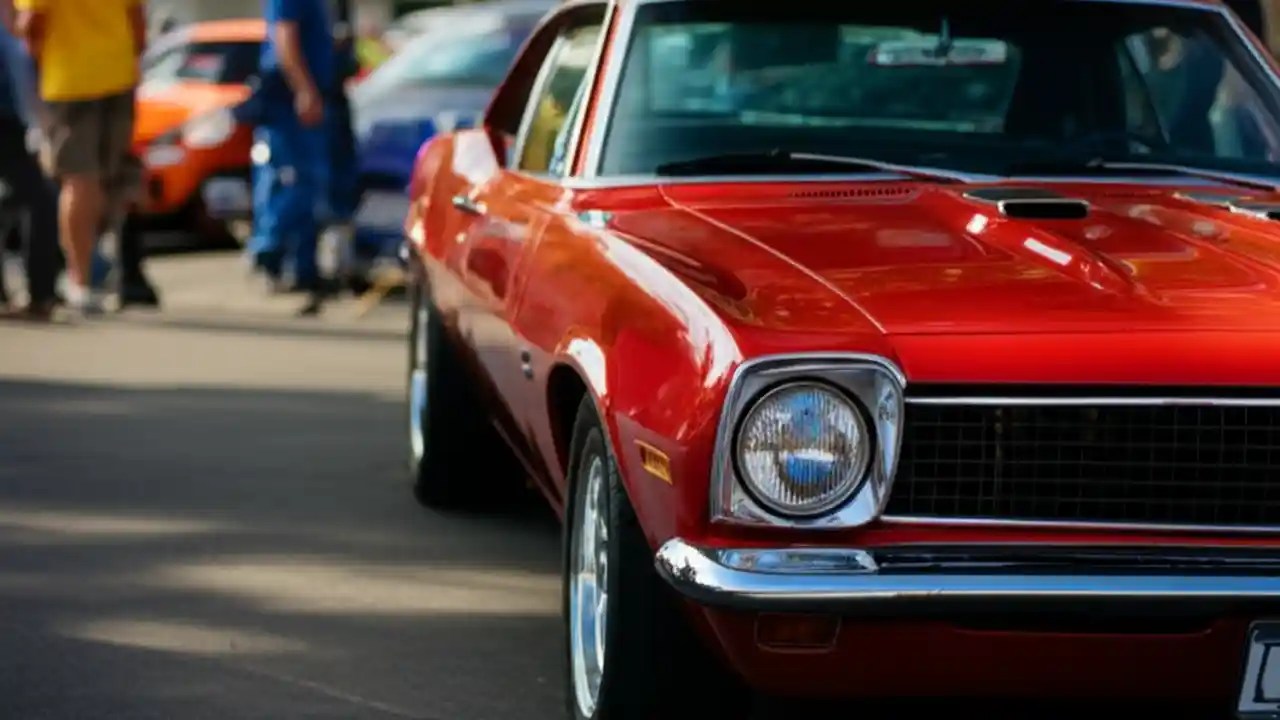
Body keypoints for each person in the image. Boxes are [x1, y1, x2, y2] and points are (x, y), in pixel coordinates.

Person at [14, 0, 147, 316]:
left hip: (69, 78)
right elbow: (138, 19)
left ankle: (81, 280)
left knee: (80, 179)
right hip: (118, 71)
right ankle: (119, 272)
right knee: (111, 178)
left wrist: (37, 61)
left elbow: (32, 22)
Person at [247, 0, 335, 316]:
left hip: (300, 95)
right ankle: (275, 257)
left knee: (305, 183)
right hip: (289, 100)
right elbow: (285, 37)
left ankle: (301, 266)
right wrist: (304, 89)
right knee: (293, 181)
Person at [0, 0, 57, 322]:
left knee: (17, 200)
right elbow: (18, 64)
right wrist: (38, 126)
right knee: (40, 201)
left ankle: (40, 293)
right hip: (8, 123)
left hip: (11, 122)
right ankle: (41, 294)